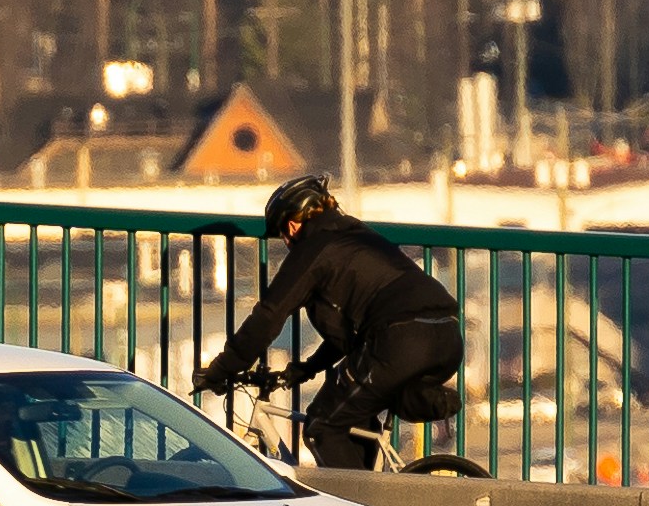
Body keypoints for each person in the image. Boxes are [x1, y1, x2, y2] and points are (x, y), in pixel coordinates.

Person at [195, 174, 465, 472]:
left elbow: (268, 316)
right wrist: (307, 367)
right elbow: (349, 330)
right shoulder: (359, 237)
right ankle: (378, 482)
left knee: (322, 426)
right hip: (446, 335)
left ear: (296, 222)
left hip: (399, 340)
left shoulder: (315, 249)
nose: (285, 240)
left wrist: (222, 369)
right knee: (353, 413)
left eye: (284, 230)